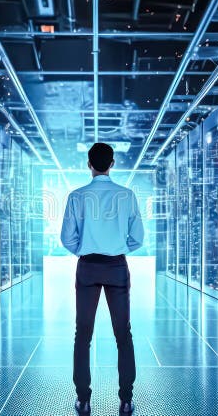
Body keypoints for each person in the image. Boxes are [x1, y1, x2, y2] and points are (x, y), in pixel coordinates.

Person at [60, 143, 144, 416]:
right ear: (113, 164)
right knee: (123, 335)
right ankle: (126, 400)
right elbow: (138, 238)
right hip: (117, 266)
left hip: (87, 268)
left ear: (89, 164)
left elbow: (67, 238)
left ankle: (83, 400)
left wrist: (84, 250)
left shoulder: (77, 196)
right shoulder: (127, 195)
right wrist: (118, 247)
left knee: (82, 335)